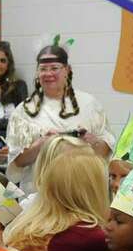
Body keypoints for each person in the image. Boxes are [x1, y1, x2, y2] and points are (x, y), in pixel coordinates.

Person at [7, 43, 115, 194]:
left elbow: (107, 150)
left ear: (67, 70)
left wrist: (91, 141)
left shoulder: (89, 104)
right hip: (41, 191)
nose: (48, 74)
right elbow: (15, 162)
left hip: (81, 189)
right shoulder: (23, 111)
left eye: (54, 68)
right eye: (43, 69)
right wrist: (41, 144)